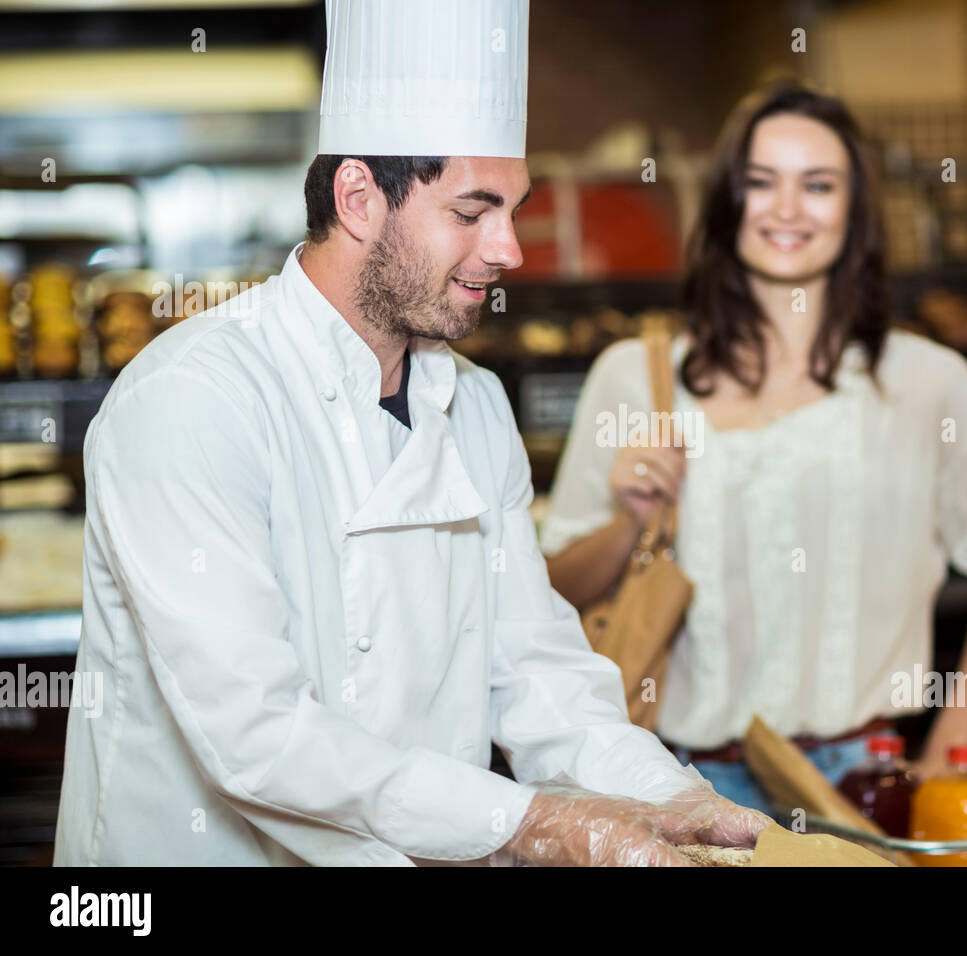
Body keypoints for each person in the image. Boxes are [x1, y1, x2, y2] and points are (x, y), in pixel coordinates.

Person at [54, 0, 768, 867]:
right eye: (473, 212)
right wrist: (536, 824)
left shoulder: (474, 406)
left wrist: (676, 801)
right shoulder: (191, 401)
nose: (509, 248)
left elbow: (535, 670)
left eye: (514, 209)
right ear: (358, 197)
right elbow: (258, 736)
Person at [541, 82, 967, 815]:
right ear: (726, 204)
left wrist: (946, 756)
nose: (786, 208)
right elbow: (552, 597)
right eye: (760, 182)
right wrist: (629, 523)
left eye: (818, 185)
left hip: (857, 790)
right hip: (673, 788)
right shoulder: (635, 377)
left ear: (856, 211)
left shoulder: (923, 382)